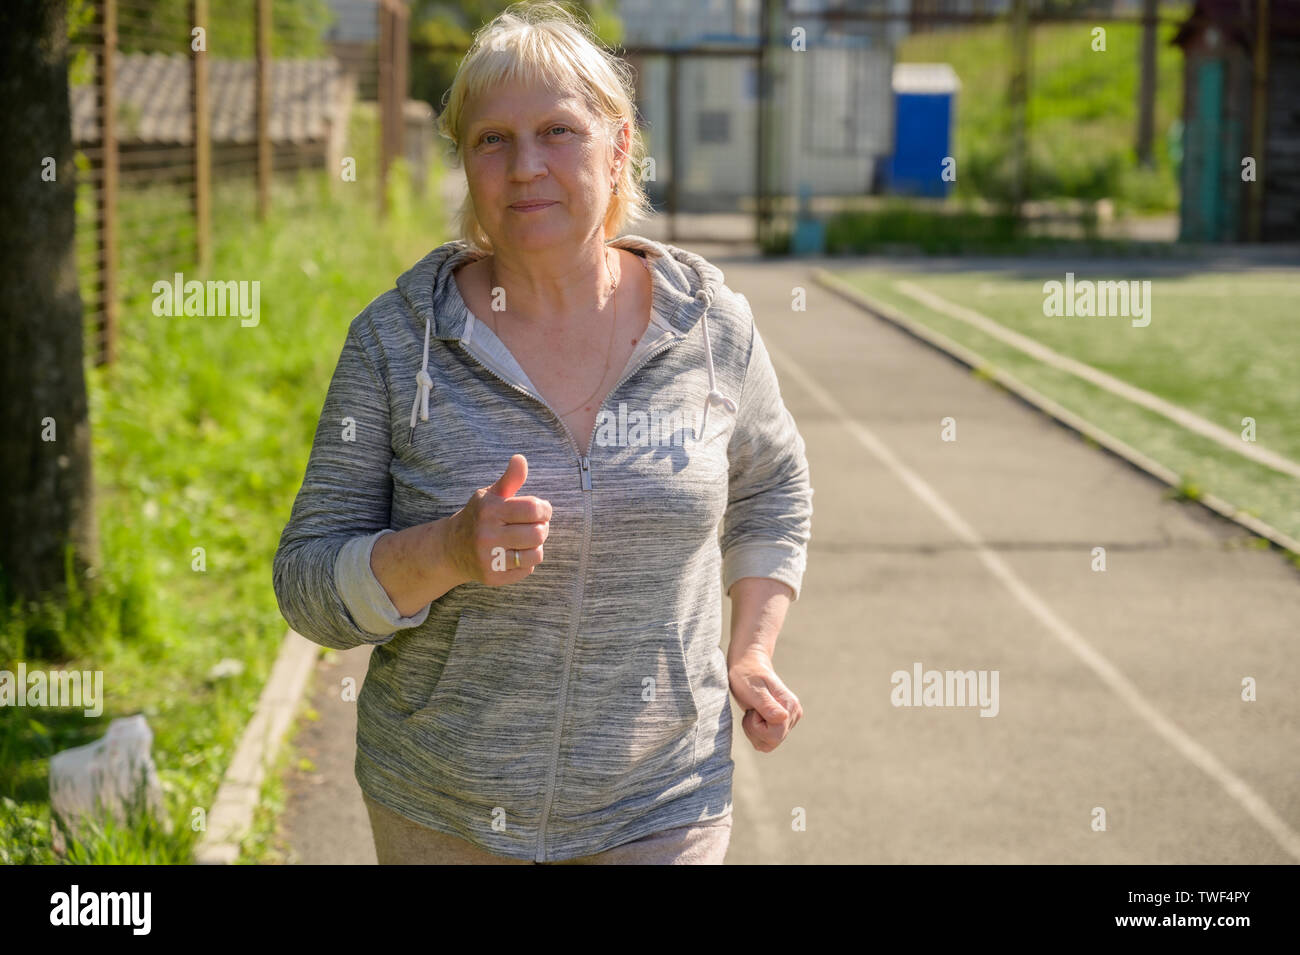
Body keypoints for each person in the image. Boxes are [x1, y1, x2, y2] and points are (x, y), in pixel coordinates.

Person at [272, 1, 813, 865]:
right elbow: (305, 581)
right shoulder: (393, 341)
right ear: (467, 165)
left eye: (558, 130)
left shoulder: (711, 328)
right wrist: (447, 551)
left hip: (662, 798)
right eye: (492, 139)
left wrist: (750, 649)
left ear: (618, 144)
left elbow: (772, 488)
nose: (526, 167)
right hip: (442, 807)